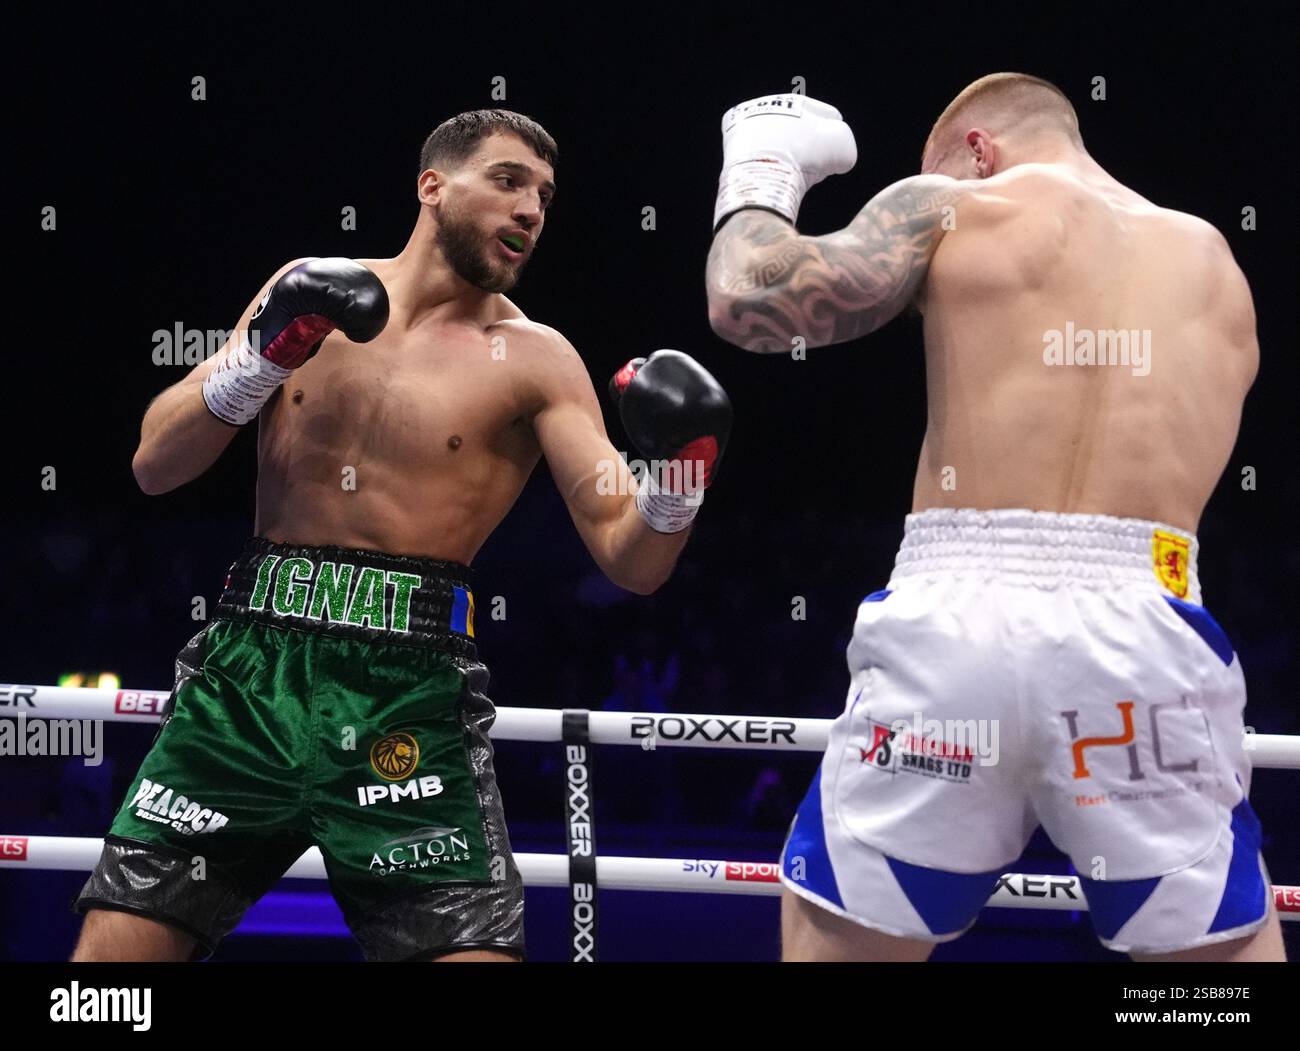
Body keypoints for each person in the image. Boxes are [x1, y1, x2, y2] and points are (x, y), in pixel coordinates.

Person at [72, 109, 731, 962]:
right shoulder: (306, 290)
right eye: (506, 181)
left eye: (544, 195)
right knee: (103, 980)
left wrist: (681, 476)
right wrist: (265, 355)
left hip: (409, 700)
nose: (531, 208)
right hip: (246, 684)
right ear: (432, 186)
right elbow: (154, 461)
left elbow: (627, 553)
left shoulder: (538, 360)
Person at [705, 74, 1283, 961]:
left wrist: (762, 167)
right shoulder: (1217, 269)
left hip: (959, 619)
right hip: (1150, 627)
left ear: (977, 149)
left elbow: (746, 298)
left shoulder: (955, 205)